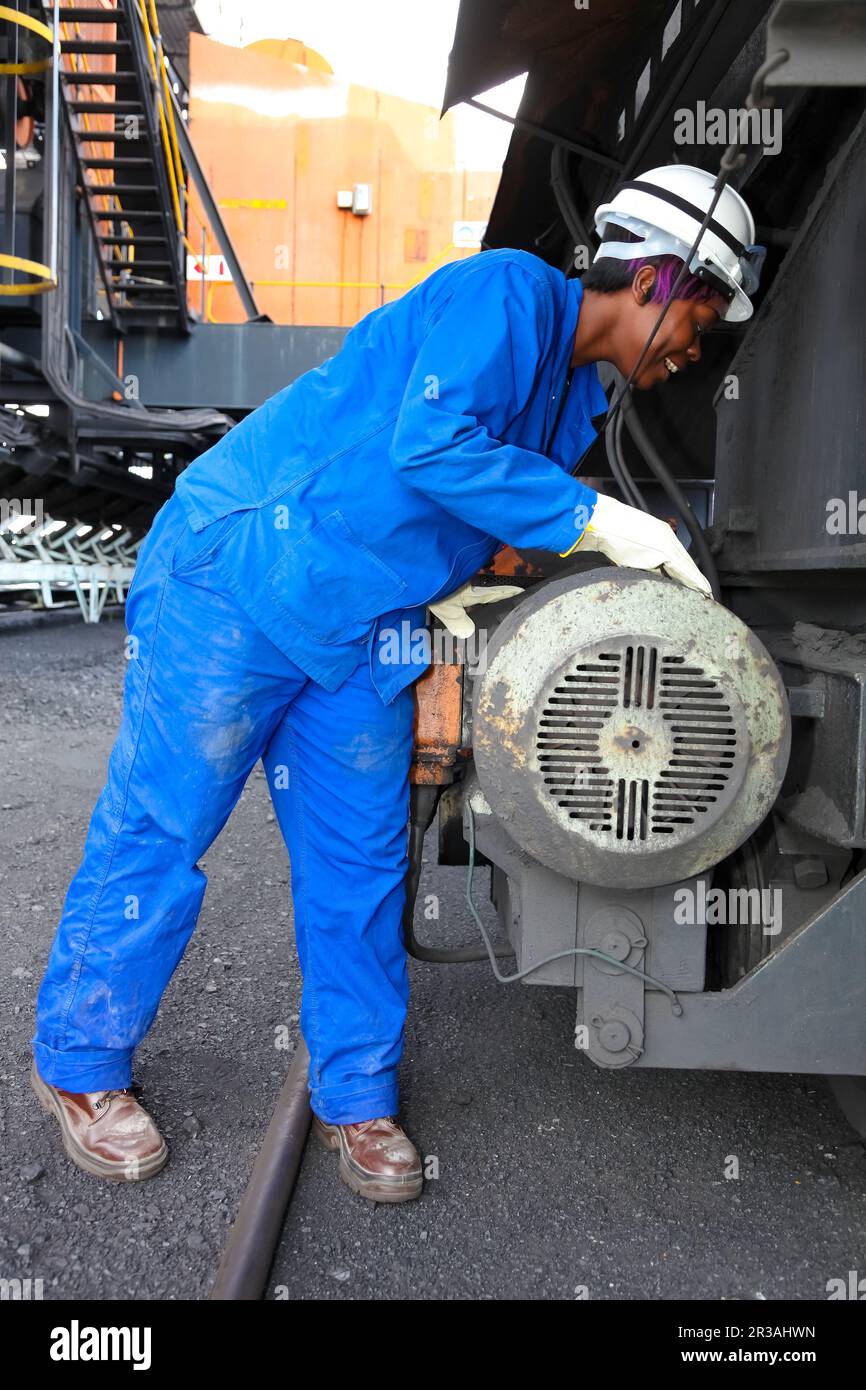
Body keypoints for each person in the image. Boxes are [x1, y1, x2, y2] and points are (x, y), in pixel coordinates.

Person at [30, 165, 761, 1201]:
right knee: (163, 826)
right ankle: (79, 1065)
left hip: (361, 624)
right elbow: (431, 445)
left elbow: (465, 513)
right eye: (700, 313)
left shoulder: (569, 407)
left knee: (361, 863)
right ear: (655, 276)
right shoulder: (508, 294)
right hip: (236, 578)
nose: (696, 348)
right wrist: (602, 521)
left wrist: (509, 564)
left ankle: (357, 1092)